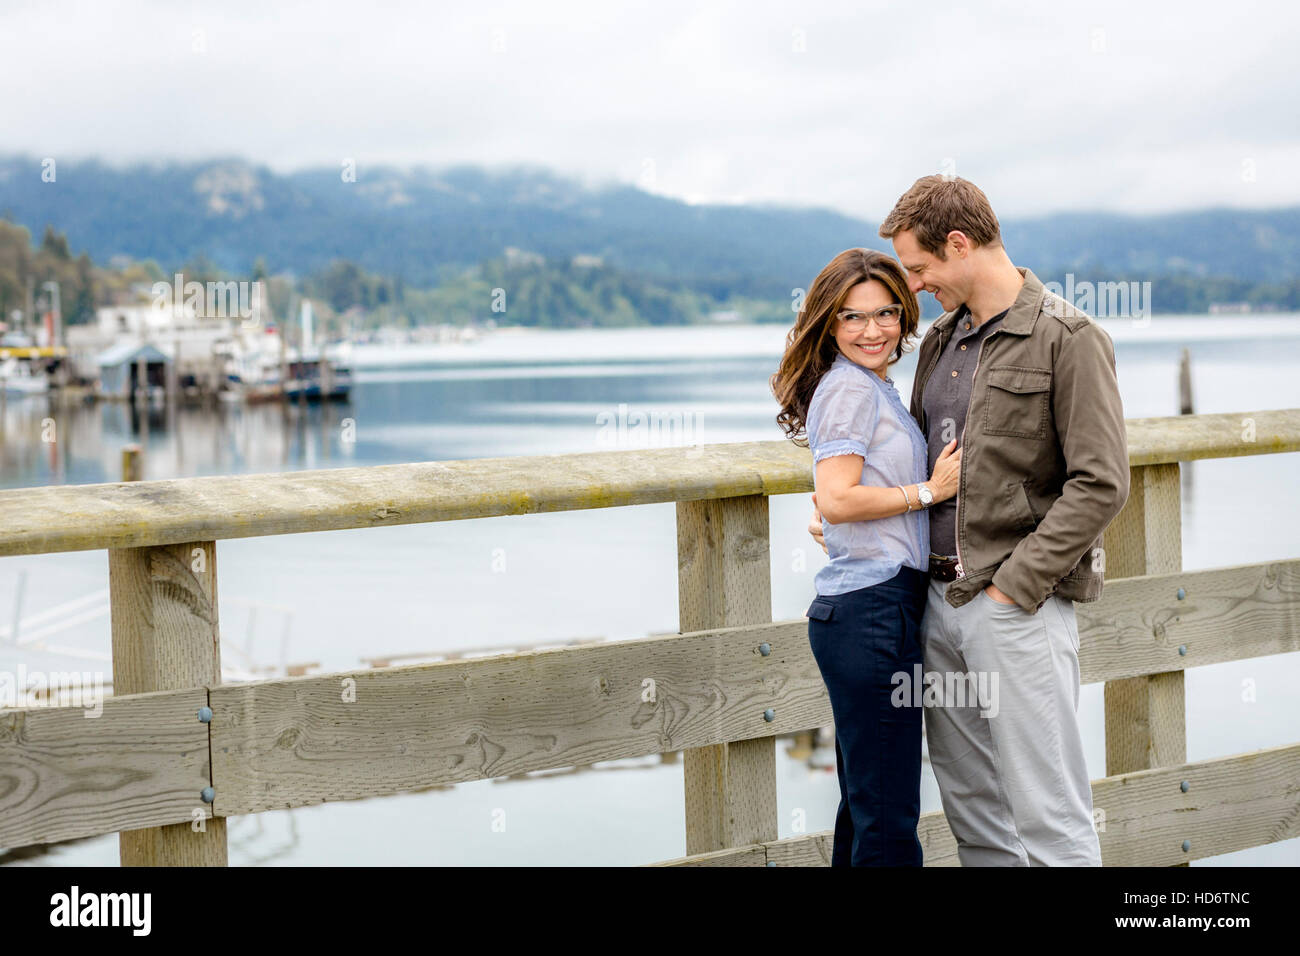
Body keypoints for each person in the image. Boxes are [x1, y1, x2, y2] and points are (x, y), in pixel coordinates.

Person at [814, 175, 1129, 866]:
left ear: (959, 245)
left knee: (1051, 819)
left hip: (1015, 610)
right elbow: (922, 471)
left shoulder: (1069, 338)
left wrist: (1015, 586)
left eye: (921, 268)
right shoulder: (939, 346)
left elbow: (1101, 482)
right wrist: (851, 517)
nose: (917, 288)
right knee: (975, 816)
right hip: (932, 606)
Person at [772, 247, 961, 866]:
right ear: (829, 323)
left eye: (885, 314)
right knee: (887, 816)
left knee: (866, 808)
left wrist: (844, 523)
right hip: (873, 615)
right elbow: (837, 495)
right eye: (853, 318)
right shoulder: (851, 389)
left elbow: (839, 498)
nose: (873, 330)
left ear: (904, 315)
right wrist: (930, 491)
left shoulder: (861, 384)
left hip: (867, 608)